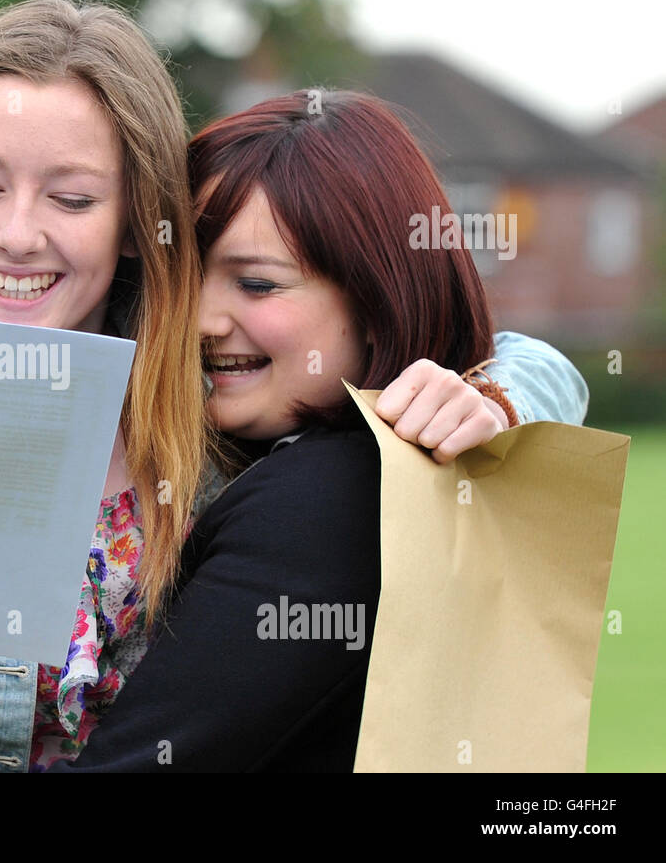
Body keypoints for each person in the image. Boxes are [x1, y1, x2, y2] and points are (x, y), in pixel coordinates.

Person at [0, 0, 588, 773]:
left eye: (72, 198)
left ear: (134, 223)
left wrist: (502, 399)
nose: (16, 234)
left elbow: (492, 352)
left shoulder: (198, 379)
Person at [47, 88, 573, 771]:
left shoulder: (322, 497)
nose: (201, 320)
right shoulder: (373, 474)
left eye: (258, 285)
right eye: (185, 275)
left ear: (380, 295)